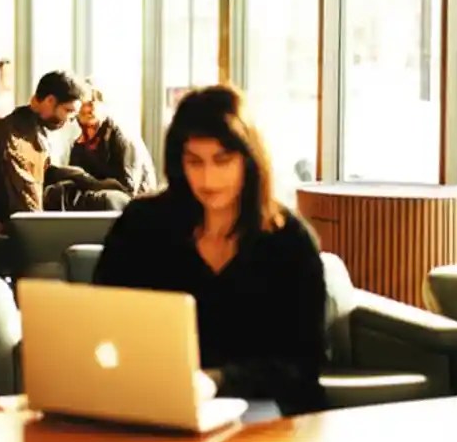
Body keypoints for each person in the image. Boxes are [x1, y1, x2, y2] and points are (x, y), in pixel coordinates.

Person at [92, 85, 327, 415]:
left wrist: (215, 380)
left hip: (265, 414)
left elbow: (302, 366)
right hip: (152, 402)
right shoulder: (142, 225)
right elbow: (100, 324)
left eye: (222, 160)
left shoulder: (288, 241)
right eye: (194, 162)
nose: (208, 178)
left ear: (249, 160)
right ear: (179, 163)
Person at [0, 70, 128, 233]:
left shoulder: (17, 129)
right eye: (68, 111)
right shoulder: (19, 141)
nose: (70, 120)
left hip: (1, 224)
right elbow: (27, 213)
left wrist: (89, 181)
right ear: (49, 100)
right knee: (110, 203)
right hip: (13, 234)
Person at [68, 84, 157, 197]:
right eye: (83, 103)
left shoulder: (121, 136)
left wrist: (87, 182)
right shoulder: (79, 144)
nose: (88, 108)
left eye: (92, 102)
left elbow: (128, 187)